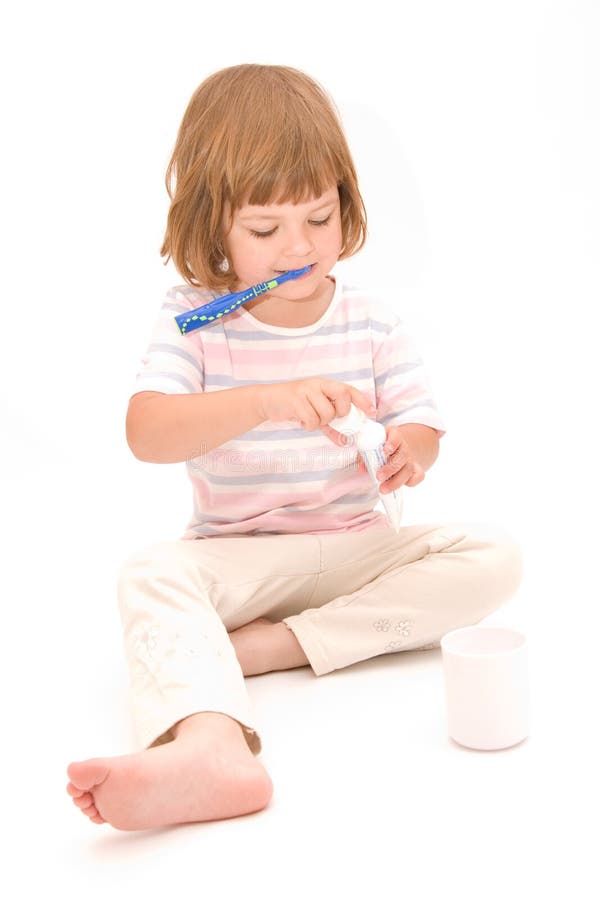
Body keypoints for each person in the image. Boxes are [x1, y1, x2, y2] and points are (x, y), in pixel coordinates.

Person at [66, 64, 523, 831]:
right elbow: (146, 431)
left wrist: (409, 450)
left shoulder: (372, 320)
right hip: (239, 560)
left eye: (319, 217)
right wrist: (268, 400)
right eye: (265, 230)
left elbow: (422, 427)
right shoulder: (195, 318)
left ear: (346, 201)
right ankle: (212, 748)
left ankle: (273, 649)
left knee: (495, 554)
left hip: (354, 552)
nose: (299, 249)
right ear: (214, 227)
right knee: (148, 574)